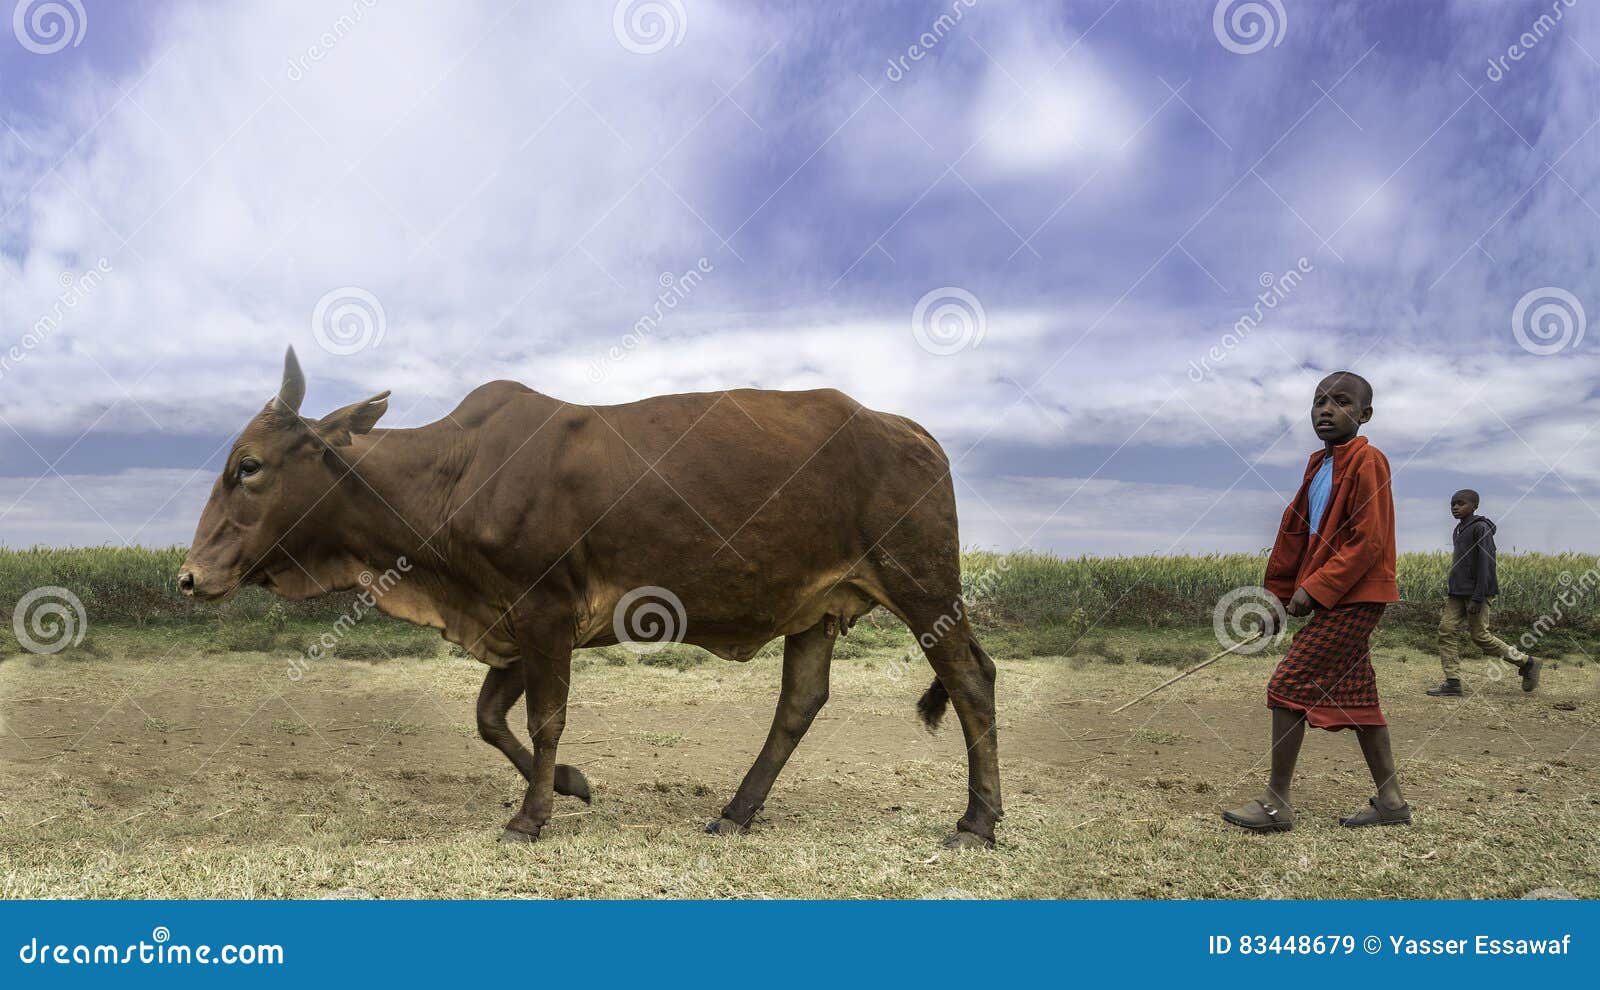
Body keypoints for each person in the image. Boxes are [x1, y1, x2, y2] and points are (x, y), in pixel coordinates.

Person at [1222, 371, 1410, 832]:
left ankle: (1276, 802)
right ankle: (1391, 800)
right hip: (1337, 597)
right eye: (1319, 401)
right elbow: (1295, 541)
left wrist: (1316, 588)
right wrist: (1278, 599)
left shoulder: (1370, 461)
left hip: (1358, 597)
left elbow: (1368, 543)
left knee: (1288, 685)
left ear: (1364, 415)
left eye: (1341, 402)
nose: (1326, 409)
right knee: (1359, 697)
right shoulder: (1319, 468)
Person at [1429, 489, 1541, 697]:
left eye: (1460, 503)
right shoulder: (1459, 529)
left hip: (1475, 594)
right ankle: (1453, 682)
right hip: (1457, 593)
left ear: (1474, 506)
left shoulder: (1481, 528)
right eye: (1452, 504)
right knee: (1446, 630)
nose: (1455, 507)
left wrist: (1478, 597)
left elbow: (1486, 564)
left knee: (1480, 636)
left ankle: (1527, 662)